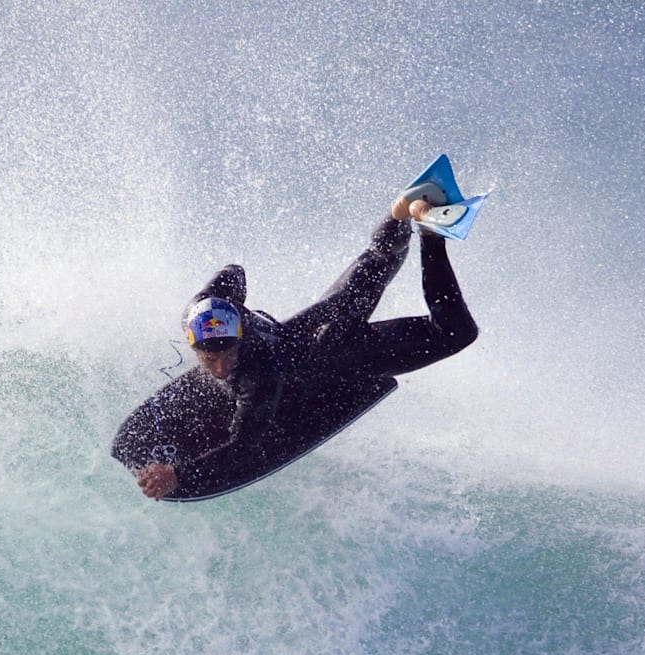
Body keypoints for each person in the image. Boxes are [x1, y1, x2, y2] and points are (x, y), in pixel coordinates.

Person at [129, 194, 479, 500]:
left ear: (237, 338)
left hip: (341, 357)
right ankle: (403, 209)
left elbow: (243, 448)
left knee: (455, 333)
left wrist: (178, 475)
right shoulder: (209, 306)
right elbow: (234, 271)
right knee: (381, 257)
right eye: (209, 359)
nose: (220, 369)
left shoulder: (258, 376)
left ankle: (431, 234)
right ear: (193, 340)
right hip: (319, 320)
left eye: (228, 356)